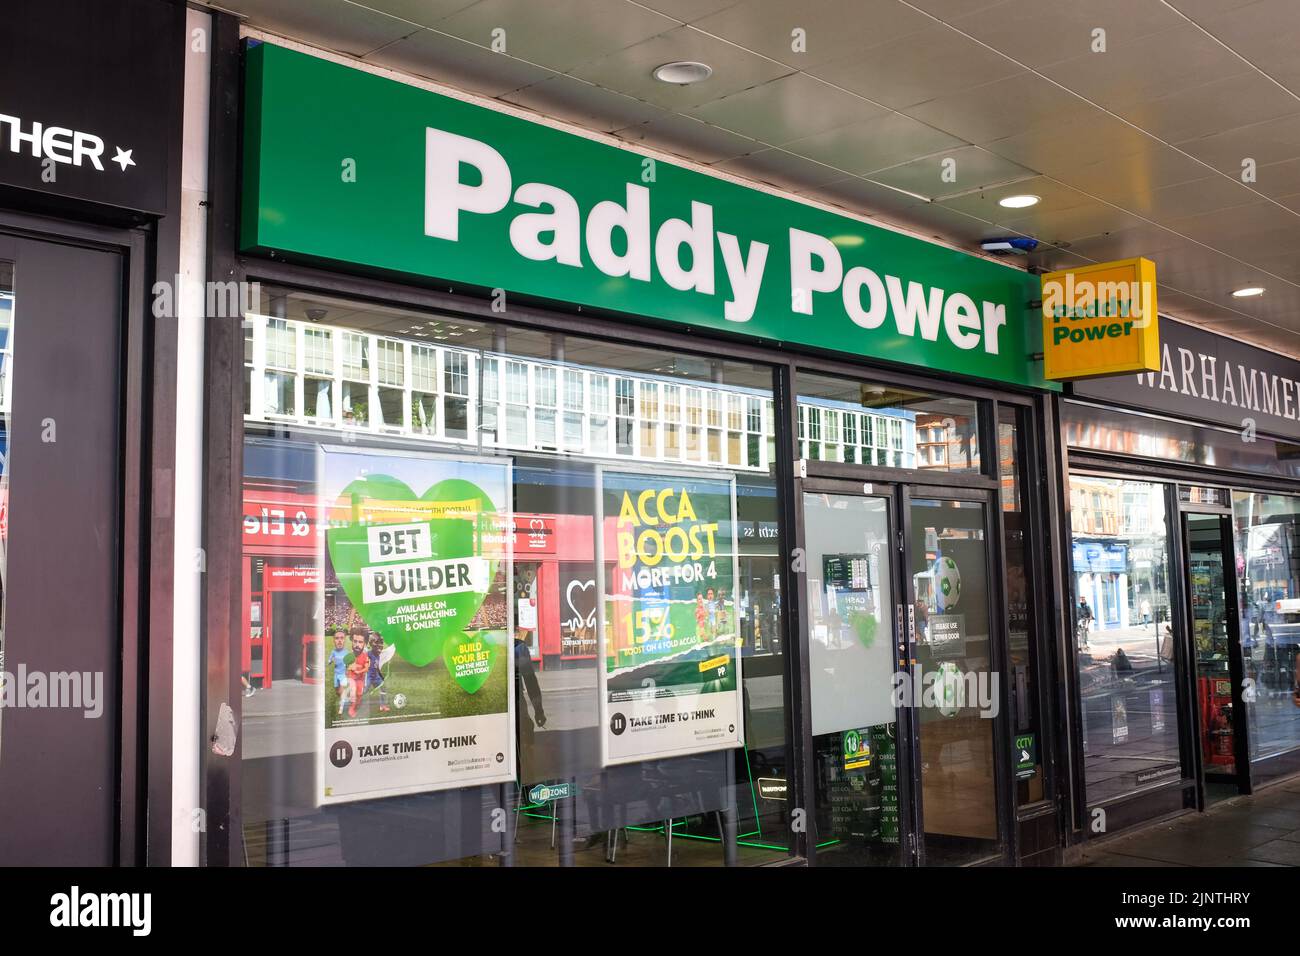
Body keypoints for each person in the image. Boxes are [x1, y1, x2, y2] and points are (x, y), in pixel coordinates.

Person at [346, 633, 370, 719]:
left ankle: (356, 703)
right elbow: (347, 667)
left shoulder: (365, 656)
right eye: (355, 641)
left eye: (360, 642)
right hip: (351, 678)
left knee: (359, 694)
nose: (357, 644)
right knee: (353, 691)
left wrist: (359, 671)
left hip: (360, 679)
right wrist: (350, 668)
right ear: (352, 642)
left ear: (364, 644)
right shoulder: (350, 655)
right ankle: (351, 708)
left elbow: (366, 668)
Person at [329, 631, 350, 717]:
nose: (339, 640)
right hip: (336, 675)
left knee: (341, 691)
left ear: (345, 640)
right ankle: (346, 698)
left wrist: (348, 670)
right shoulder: (333, 652)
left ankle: (341, 709)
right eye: (337, 638)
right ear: (333, 640)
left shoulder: (347, 652)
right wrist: (330, 661)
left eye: (342, 638)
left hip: (343, 675)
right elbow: (330, 659)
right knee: (337, 691)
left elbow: (350, 663)